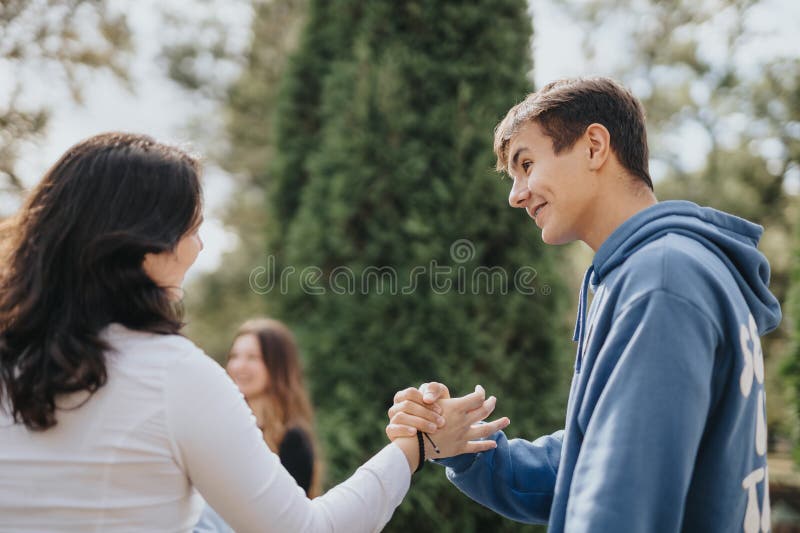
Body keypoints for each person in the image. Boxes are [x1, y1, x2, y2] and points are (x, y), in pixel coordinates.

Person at [0, 132, 508, 532]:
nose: (199, 248)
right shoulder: (175, 375)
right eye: (192, 228)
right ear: (146, 244)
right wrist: (414, 447)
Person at [385, 77, 782, 533]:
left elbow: (621, 505)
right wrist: (465, 449)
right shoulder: (659, 272)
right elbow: (590, 462)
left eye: (527, 164)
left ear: (594, 146)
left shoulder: (661, 281)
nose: (516, 195)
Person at [227, 318, 322, 497]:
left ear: (278, 366)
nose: (239, 366)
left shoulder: (293, 440)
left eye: (252, 357)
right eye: (234, 356)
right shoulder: (227, 427)